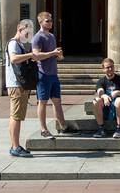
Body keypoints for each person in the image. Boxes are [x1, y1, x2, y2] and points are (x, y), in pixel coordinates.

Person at [31, 10, 71, 138]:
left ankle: (63, 126)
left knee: (57, 101)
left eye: (51, 20)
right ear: (41, 22)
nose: (51, 23)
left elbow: (54, 54)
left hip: (53, 74)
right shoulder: (38, 37)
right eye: (47, 21)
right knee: (42, 102)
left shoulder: (52, 36)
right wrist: (53, 53)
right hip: (43, 74)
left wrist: (58, 56)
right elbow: (36, 55)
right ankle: (43, 129)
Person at [5, 18, 35, 158]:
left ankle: (15, 145)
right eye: (26, 32)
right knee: (16, 116)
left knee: (16, 116)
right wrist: (30, 55)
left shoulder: (18, 44)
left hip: (19, 84)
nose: (28, 35)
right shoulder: (13, 44)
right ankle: (15, 146)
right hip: (16, 84)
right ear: (20, 29)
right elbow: (14, 59)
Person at [92, 57, 120, 138]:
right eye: (107, 67)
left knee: (119, 100)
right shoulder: (101, 81)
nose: (110, 69)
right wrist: (104, 96)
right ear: (103, 69)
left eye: (112, 66)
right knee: (96, 100)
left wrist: (117, 92)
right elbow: (100, 91)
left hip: (119, 108)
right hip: (106, 107)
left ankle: (119, 129)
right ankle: (101, 129)